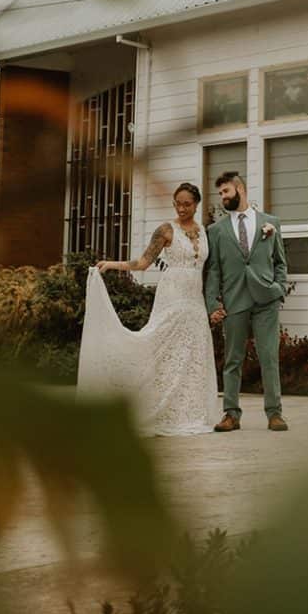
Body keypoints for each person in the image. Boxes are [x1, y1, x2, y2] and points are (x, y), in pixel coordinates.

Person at [76, 182, 218, 436]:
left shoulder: (204, 230)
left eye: (187, 204)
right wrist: (111, 264)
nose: (182, 208)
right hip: (172, 296)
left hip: (195, 301)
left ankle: (189, 413)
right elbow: (142, 263)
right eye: (178, 203)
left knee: (193, 355)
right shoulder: (165, 229)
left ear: (196, 204)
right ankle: (152, 409)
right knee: (163, 351)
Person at [204, 170, 289, 432]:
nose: (222, 198)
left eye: (225, 192)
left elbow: (280, 262)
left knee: (269, 357)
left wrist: (279, 289)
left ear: (239, 189)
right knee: (233, 360)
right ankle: (231, 414)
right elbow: (214, 270)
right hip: (234, 301)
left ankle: (274, 414)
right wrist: (213, 304)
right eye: (220, 194)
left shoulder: (270, 222)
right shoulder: (216, 230)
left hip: (266, 300)